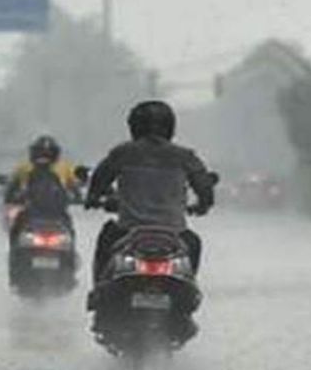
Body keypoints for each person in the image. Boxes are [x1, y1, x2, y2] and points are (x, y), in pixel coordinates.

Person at [84, 100, 215, 290]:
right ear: (170, 126)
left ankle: (98, 292)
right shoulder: (185, 156)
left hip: (127, 230)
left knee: (106, 240)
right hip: (174, 232)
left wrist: (93, 197)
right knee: (193, 243)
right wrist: (204, 204)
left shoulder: (122, 153)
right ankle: (187, 290)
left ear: (134, 126)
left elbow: (100, 179)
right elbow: (204, 186)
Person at [5, 135, 79, 237]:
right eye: (41, 153)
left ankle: (70, 250)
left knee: (68, 228)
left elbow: (75, 186)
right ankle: (15, 250)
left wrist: (78, 196)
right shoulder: (23, 168)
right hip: (31, 211)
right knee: (17, 226)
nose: (44, 157)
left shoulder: (65, 167)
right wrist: (12, 197)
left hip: (56, 212)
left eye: (48, 153)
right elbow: (12, 186)